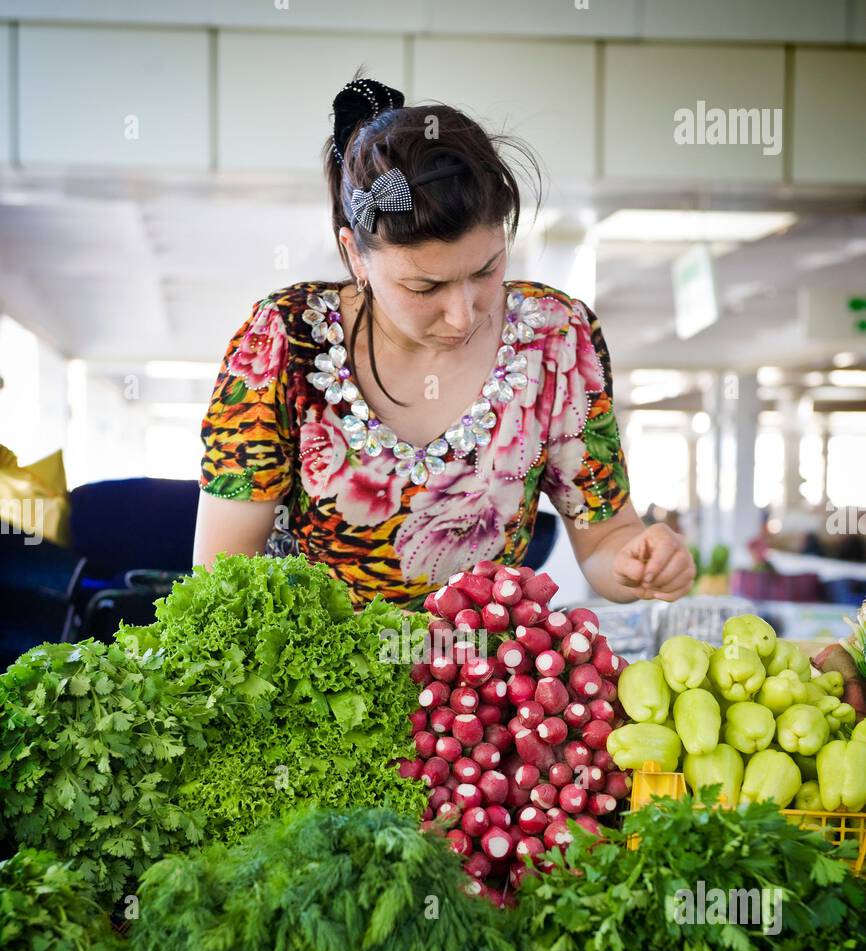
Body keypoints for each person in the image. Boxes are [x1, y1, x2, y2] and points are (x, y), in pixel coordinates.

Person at [193, 71, 695, 609]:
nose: (463, 315)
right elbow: (222, 583)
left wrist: (639, 559)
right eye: (424, 285)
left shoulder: (557, 339)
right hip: (312, 686)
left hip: (483, 681)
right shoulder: (284, 342)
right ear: (355, 254)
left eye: (486, 270)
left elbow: (602, 541)